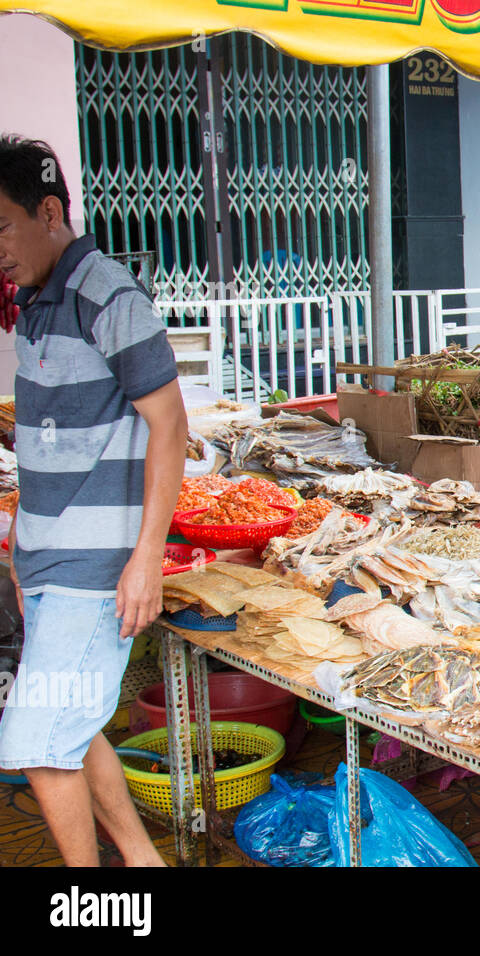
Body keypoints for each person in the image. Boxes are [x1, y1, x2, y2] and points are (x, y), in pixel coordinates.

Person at [0, 136, 186, 866]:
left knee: (38, 744)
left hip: (95, 572)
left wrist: (147, 558)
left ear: (49, 212)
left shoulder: (109, 294)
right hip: (45, 560)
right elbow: (47, 447)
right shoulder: (38, 304)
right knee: (71, 728)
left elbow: (169, 427)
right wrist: (21, 546)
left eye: (1, 229)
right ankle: (142, 863)